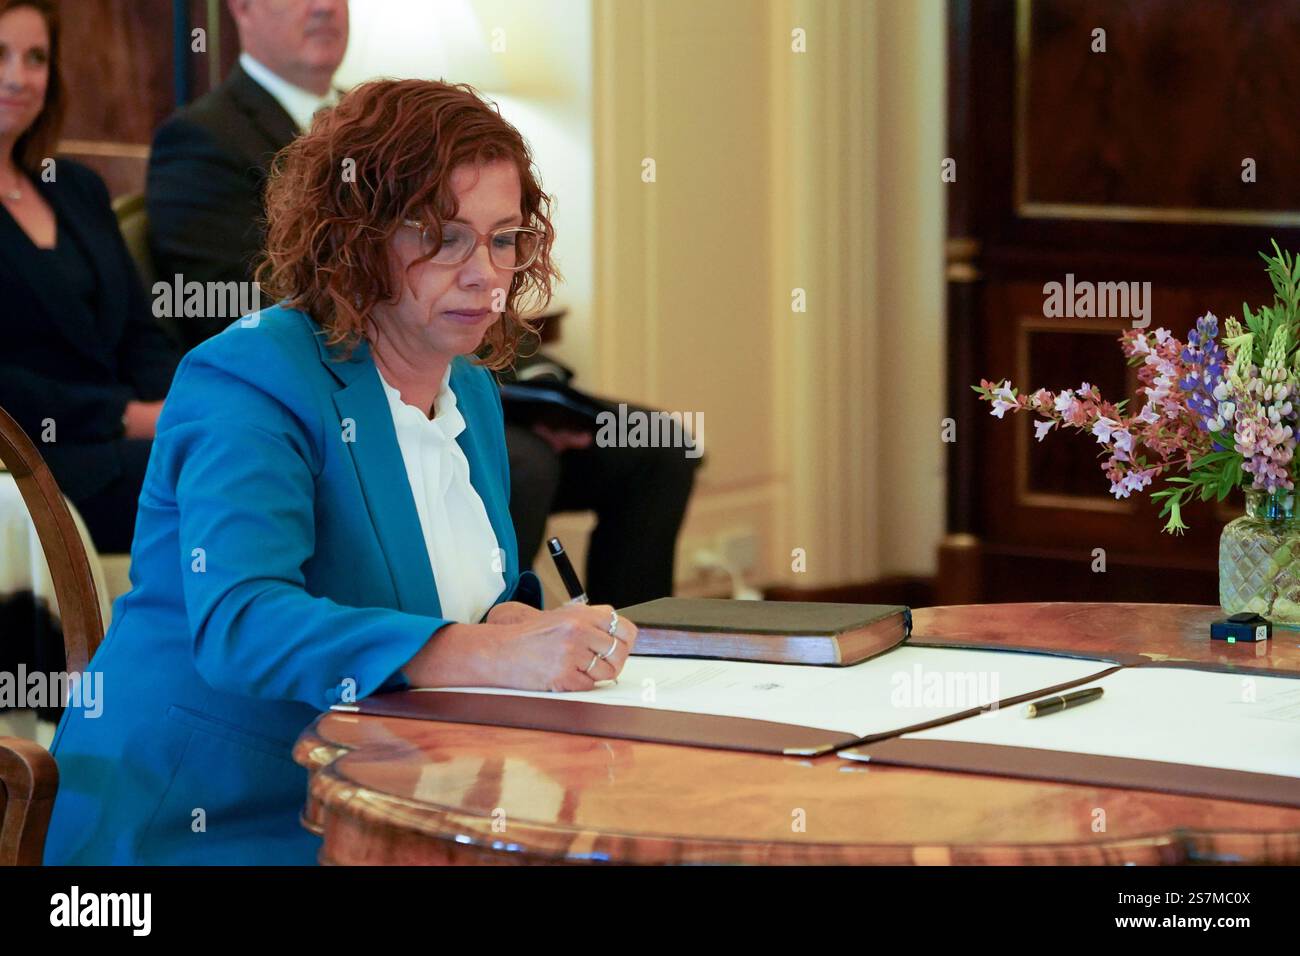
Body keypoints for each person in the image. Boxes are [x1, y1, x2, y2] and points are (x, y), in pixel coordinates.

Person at [43, 78, 638, 866]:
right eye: (443, 236)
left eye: (503, 239)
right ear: (357, 237)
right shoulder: (251, 379)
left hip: (392, 801)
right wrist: (484, 652)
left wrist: (509, 623)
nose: (485, 275)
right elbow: (241, 624)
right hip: (209, 818)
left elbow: (452, 604)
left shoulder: (473, 395)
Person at [0, 0, 178, 554]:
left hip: (129, 440)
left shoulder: (76, 188)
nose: (17, 77)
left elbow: (140, 332)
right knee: (207, 469)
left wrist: (187, 401)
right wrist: (127, 417)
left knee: (237, 440)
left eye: (36, 58)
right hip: (35, 460)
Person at [146, 0, 349, 348]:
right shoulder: (199, 140)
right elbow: (227, 305)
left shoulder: (380, 122)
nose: (325, 6)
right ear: (241, 8)